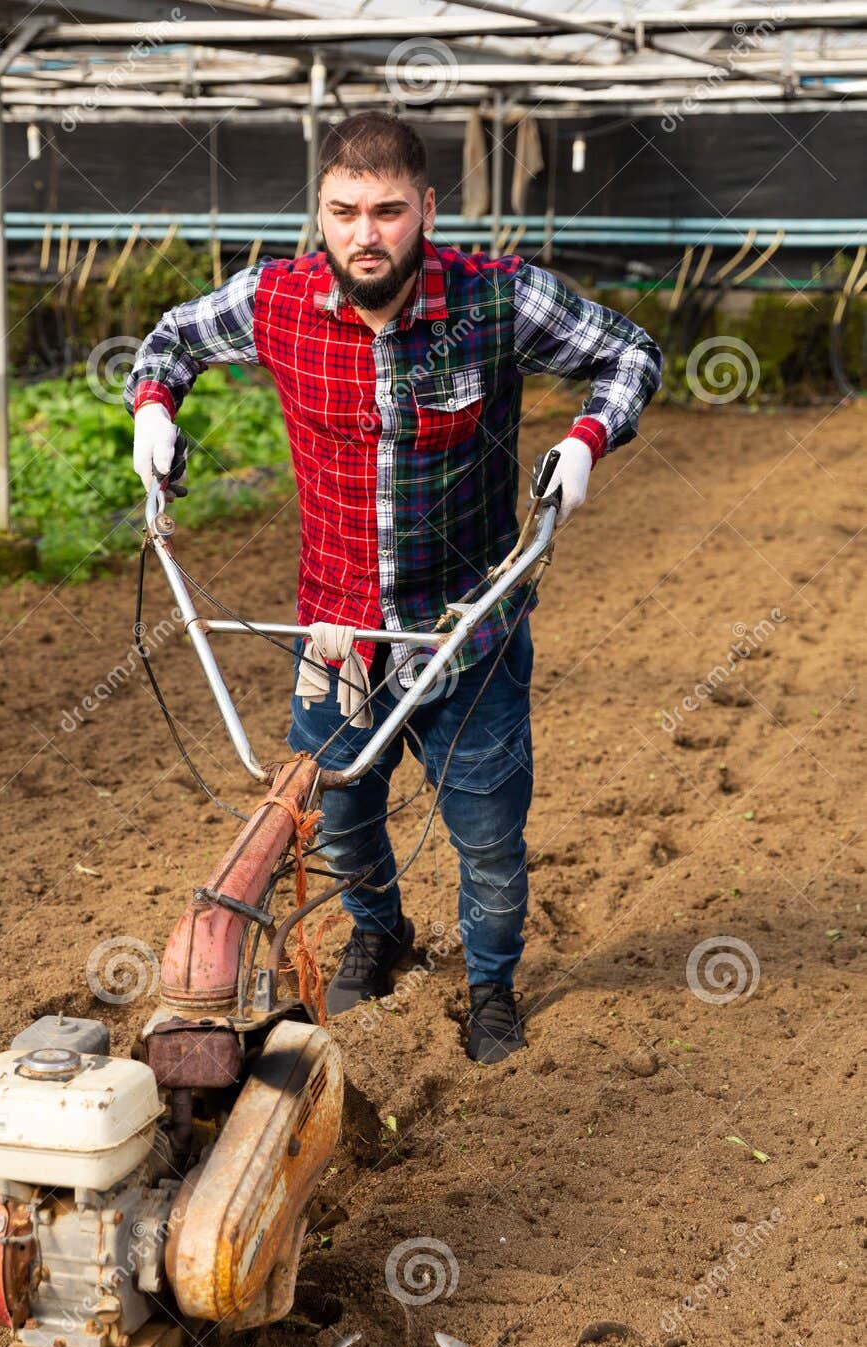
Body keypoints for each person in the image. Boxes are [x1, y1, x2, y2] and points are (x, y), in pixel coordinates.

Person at [126, 112, 661, 1064]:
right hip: (335, 628)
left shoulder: (497, 301)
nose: (364, 235)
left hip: (467, 627)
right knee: (337, 809)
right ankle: (380, 933)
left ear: (426, 208)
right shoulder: (274, 301)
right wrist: (154, 409)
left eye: (386, 212)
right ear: (318, 214)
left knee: (488, 831)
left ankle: (492, 988)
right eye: (343, 212)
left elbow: (632, 352)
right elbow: (168, 341)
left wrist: (586, 442)